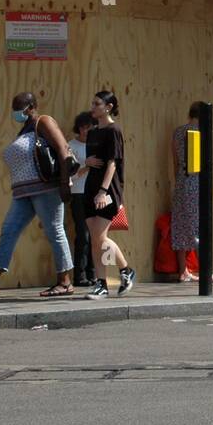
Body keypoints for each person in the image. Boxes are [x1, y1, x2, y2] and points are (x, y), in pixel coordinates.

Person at [0, 92, 75, 299]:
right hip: (23, 193)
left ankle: (65, 282)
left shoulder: (44, 121)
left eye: (20, 108)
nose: (16, 112)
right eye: (14, 108)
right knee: (9, 231)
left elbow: (63, 150)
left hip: (45, 189)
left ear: (32, 107)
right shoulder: (25, 129)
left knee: (54, 231)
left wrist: (64, 183)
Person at [82, 91, 134, 300]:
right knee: (95, 240)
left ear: (109, 107)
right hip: (90, 188)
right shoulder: (93, 132)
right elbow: (93, 161)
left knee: (100, 238)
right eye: (92, 103)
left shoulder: (114, 130)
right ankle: (102, 283)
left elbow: (112, 163)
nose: (92, 107)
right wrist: (84, 164)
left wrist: (103, 192)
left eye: (97, 104)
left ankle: (125, 269)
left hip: (108, 190)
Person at [170, 102, 213, 284]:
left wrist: (179, 180)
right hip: (197, 180)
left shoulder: (177, 132)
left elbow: (175, 161)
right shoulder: (201, 133)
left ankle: (183, 270)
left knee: (181, 224)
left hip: (181, 181)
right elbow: (204, 160)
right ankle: (206, 270)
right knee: (200, 226)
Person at [67, 111, 95, 288]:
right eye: (84, 127)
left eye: (90, 127)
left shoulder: (97, 145)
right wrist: (86, 167)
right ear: (78, 128)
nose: (86, 131)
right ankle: (80, 275)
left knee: (95, 236)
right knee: (83, 235)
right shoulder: (71, 146)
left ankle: (93, 274)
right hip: (78, 194)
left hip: (95, 194)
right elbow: (70, 176)